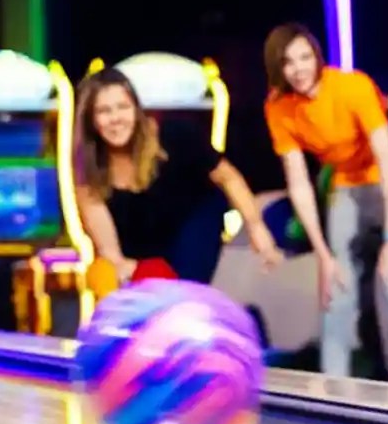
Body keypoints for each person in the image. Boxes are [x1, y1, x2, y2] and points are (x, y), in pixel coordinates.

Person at [262, 22, 388, 385]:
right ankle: (335, 389)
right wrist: (323, 254)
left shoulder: (352, 86)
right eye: (288, 62)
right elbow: (298, 181)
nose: (299, 69)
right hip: (345, 185)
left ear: (318, 57)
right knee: (338, 291)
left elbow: (387, 156)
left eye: (305, 57)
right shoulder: (279, 107)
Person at [73, 67, 283, 292]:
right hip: (145, 258)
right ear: (91, 120)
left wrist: (257, 228)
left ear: (136, 109)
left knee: (183, 286)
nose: (115, 119)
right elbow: (113, 256)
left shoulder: (175, 135)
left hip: (194, 227)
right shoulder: (89, 173)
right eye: (104, 111)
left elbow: (228, 177)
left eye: (123, 107)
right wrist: (143, 274)